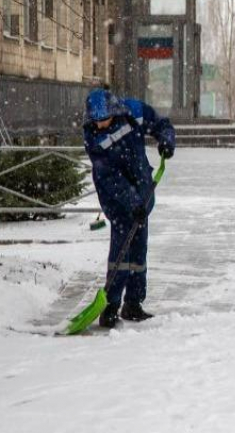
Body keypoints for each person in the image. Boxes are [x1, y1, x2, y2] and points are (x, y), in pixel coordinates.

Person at [83, 88, 175, 328]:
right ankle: (111, 306)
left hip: (142, 189)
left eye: (104, 120)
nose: (100, 125)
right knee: (121, 250)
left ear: (114, 111)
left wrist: (166, 139)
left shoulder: (134, 111)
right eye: (96, 121)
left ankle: (133, 303)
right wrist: (131, 202)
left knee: (138, 250)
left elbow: (160, 123)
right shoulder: (93, 136)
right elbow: (109, 176)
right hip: (116, 198)